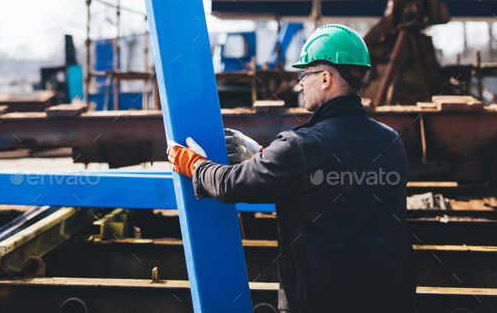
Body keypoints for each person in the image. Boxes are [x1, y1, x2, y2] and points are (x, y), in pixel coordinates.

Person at [167, 24, 416, 313]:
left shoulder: (302, 146)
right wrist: (263, 157)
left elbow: (230, 184)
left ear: (325, 78)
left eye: (304, 74)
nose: (300, 83)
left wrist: (195, 165)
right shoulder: (390, 140)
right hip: (390, 299)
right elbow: (333, 180)